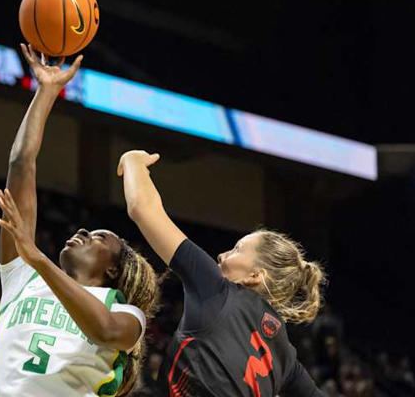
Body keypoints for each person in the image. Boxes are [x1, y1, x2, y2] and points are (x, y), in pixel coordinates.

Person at [0, 44, 159, 397]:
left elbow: (105, 331)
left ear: (112, 270)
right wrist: (47, 92)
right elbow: (21, 164)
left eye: (99, 237)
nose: (82, 231)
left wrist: (37, 258)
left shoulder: (126, 315)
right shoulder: (22, 277)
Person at [118, 149, 326, 396]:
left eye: (236, 249)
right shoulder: (286, 356)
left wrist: (133, 162)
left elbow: (142, 208)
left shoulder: (217, 289)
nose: (222, 255)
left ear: (255, 275)